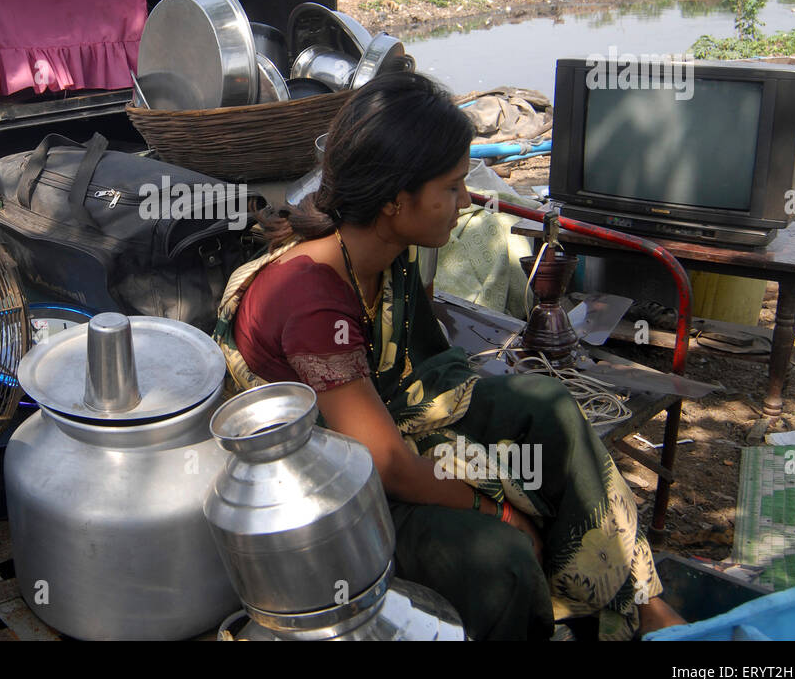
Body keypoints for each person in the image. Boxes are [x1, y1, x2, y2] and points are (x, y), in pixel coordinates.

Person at [212, 70, 685, 640]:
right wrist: (497, 511)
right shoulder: (312, 303)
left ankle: (635, 598)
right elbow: (387, 467)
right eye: (453, 186)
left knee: (548, 404)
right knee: (498, 558)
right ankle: (543, 606)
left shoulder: (388, 247)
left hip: (388, 419)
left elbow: (415, 353)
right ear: (394, 199)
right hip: (327, 486)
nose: (466, 200)